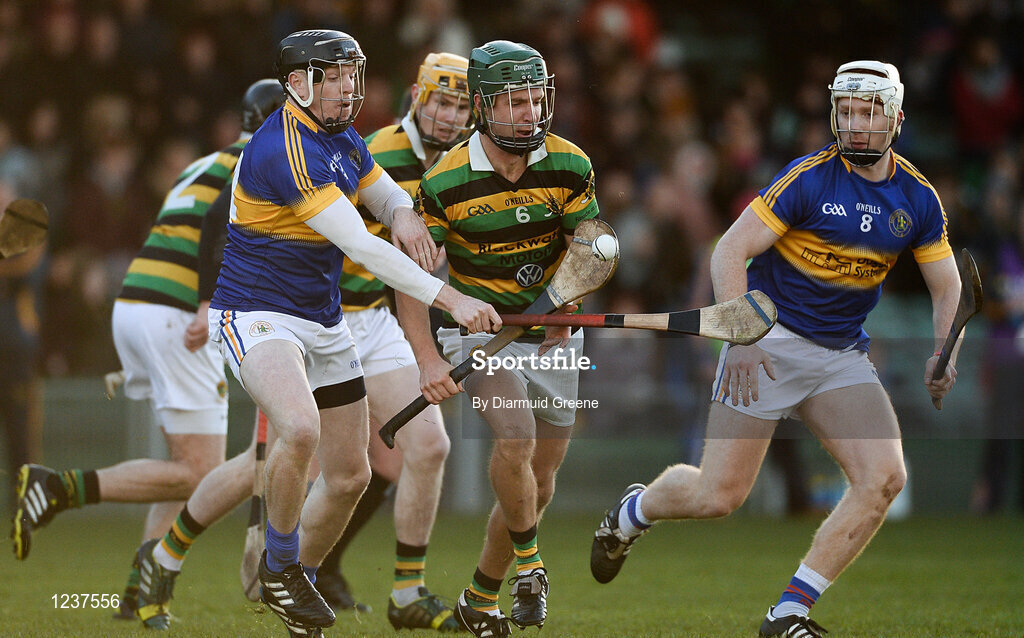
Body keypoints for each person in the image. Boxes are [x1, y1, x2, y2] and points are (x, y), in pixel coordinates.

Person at [589, 60, 961, 638]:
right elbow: (727, 251)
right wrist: (741, 337)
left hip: (840, 355)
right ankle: (632, 513)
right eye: (846, 111)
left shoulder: (917, 196)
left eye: (868, 113)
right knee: (718, 496)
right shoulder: (807, 178)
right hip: (769, 341)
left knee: (885, 478)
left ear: (896, 118)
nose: (855, 124)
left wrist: (944, 351)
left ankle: (788, 613)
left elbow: (947, 285)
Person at [148, 30, 496, 638]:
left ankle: (297, 581)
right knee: (299, 428)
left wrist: (406, 217)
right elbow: (359, 243)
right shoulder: (285, 148)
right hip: (257, 314)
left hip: (325, 320)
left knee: (352, 475)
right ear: (297, 84)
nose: (346, 89)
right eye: (332, 77)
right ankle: (280, 567)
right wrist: (450, 298)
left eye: (350, 76)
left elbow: (385, 197)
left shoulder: (343, 137)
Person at [10, 79, 286, 586]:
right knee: (199, 471)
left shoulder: (204, 162)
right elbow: (218, 228)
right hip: (178, 312)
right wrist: (211, 301)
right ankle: (58, 488)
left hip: (137, 303)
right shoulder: (268, 161)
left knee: (183, 466)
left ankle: (143, 585)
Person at [399, 40, 599, 638]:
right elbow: (410, 278)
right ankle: (531, 567)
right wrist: (427, 358)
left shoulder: (570, 164)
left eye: (535, 98)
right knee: (516, 437)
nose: (529, 112)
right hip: (480, 336)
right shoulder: (444, 181)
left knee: (540, 481)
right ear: (484, 106)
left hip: (553, 337)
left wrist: (569, 303)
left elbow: (589, 246)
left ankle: (480, 597)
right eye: (514, 101)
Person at [313, 51, 474, 632]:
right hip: (318, 321)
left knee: (426, 447)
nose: (449, 116)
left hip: (375, 319)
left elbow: (425, 267)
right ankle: (289, 574)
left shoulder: (463, 165)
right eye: (441, 101)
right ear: (417, 96)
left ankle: (406, 593)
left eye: (461, 106)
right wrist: (428, 353)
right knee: (322, 467)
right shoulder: (374, 151)